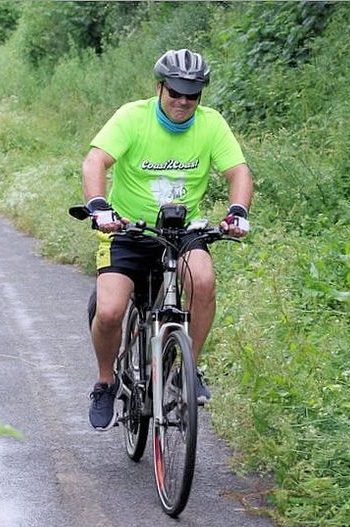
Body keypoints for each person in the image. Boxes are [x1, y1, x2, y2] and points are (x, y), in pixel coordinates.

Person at [81, 49, 253, 430]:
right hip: (127, 230)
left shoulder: (210, 124)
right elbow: (96, 161)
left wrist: (237, 211)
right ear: (160, 87)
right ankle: (106, 381)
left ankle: (186, 371)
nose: (183, 101)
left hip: (182, 232)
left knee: (203, 282)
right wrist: (98, 205)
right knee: (109, 312)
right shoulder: (133, 117)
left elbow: (238, 172)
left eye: (192, 95)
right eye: (176, 92)